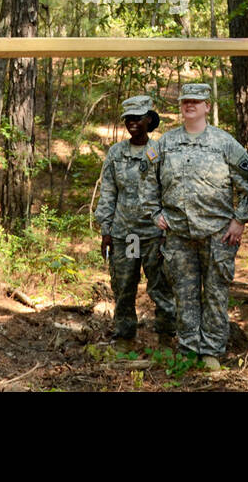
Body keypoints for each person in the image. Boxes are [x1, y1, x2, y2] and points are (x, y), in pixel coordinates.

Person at [142, 82, 248, 373]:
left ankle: (212, 352)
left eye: (196, 101)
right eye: (184, 101)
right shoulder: (164, 143)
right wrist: (155, 213)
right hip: (178, 235)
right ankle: (190, 349)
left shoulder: (225, 143)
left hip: (219, 234)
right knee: (185, 294)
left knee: (216, 294)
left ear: (207, 106)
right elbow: (146, 181)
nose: (189, 105)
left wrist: (240, 220)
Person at [94, 95, 175, 349]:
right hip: (125, 234)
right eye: (128, 119)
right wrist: (105, 230)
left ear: (149, 120)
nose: (132, 123)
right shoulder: (116, 153)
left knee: (160, 287)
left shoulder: (159, 151)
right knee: (124, 286)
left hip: (154, 234)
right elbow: (108, 193)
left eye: (138, 118)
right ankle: (125, 338)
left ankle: (165, 338)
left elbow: (170, 192)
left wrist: (167, 231)